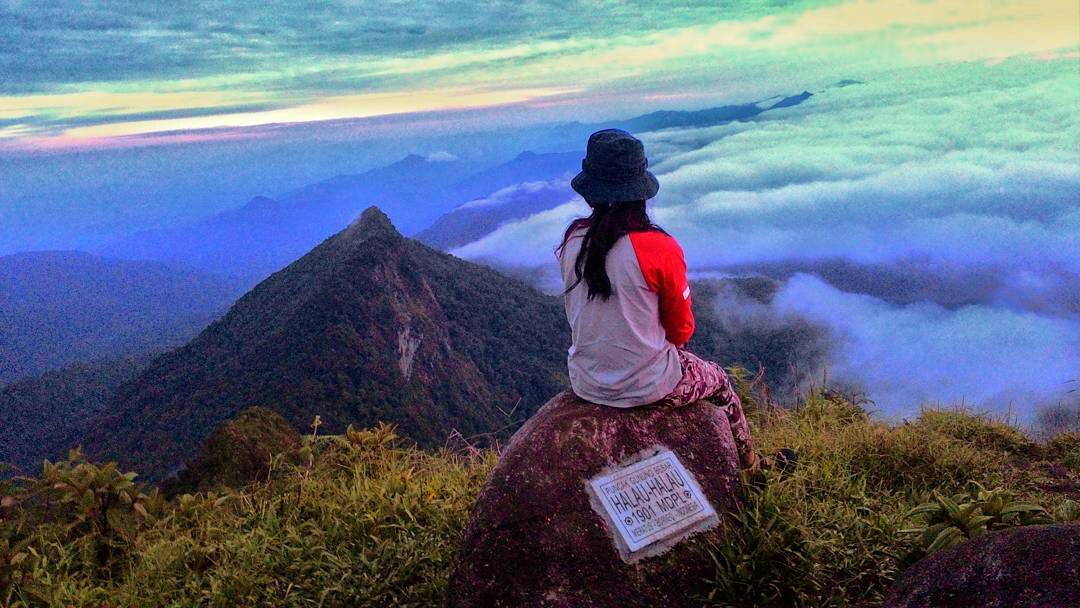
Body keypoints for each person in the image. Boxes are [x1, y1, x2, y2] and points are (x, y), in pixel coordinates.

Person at [557, 128, 758, 470]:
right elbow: (681, 330)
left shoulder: (572, 241)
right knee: (721, 383)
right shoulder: (659, 247)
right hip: (649, 384)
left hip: (586, 381)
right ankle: (751, 466)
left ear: (590, 194)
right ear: (640, 192)